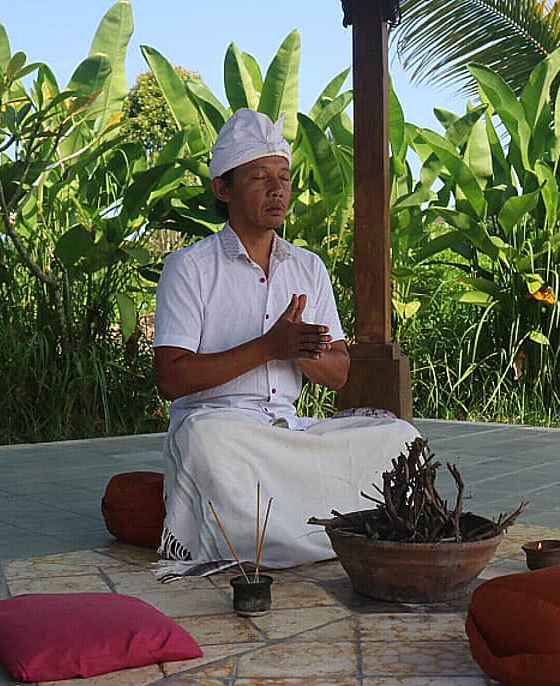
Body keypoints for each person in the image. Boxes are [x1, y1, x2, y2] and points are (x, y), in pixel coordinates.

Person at [152, 108, 419, 574]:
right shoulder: (189, 268)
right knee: (205, 439)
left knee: (400, 439)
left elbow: (338, 375)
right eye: (259, 177)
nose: (278, 189)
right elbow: (171, 378)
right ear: (223, 188)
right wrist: (269, 347)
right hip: (225, 431)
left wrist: (303, 349)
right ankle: (331, 533)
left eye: (284, 177)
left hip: (287, 432)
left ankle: (294, 532)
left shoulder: (307, 267)